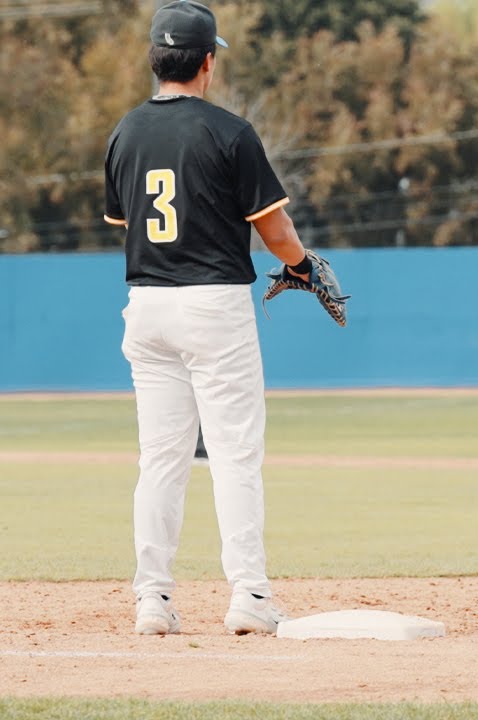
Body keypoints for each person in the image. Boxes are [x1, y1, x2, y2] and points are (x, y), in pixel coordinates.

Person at [104, 0, 310, 636]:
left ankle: (152, 600)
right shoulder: (229, 131)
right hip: (214, 304)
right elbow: (272, 228)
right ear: (208, 62)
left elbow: (127, 225)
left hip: (147, 306)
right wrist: (303, 265)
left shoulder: (124, 134)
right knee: (233, 454)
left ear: (155, 59)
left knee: (160, 460)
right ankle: (248, 594)